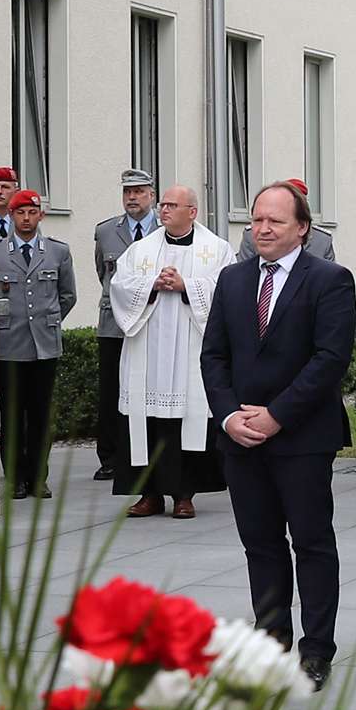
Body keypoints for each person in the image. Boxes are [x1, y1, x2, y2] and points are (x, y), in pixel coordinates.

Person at [202, 181, 354, 687]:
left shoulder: (330, 280)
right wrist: (228, 416)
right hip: (240, 438)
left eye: (275, 221)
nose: (262, 228)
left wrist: (276, 415)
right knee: (260, 545)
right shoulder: (232, 280)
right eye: (257, 219)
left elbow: (329, 360)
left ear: (302, 228)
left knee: (311, 544)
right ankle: (271, 641)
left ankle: (316, 650)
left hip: (302, 438)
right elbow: (214, 356)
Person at [106, 183, 229, 519]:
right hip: (148, 349)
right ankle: (149, 494)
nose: (164, 210)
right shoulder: (141, 250)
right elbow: (119, 286)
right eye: (163, 204)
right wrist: (152, 285)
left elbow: (228, 289)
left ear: (192, 212)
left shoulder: (216, 249)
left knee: (187, 420)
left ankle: (184, 496)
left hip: (190, 350)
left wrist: (187, 285)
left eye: (173, 205)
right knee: (146, 421)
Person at [0, 189, 77, 498]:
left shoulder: (57, 251)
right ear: (11, 215)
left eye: (31, 212)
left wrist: (48, 320)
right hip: (8, 343)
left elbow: (67, 295)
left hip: (44, 346)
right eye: (20, 213)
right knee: (11, 415)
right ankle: (15, 478)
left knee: (40, 415)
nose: (26, 218)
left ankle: (38, 477)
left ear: (41, 215)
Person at [91, 170, 162, 484]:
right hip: (114, 324)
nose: (132, 197)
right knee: (111, 391)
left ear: (152, 195)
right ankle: (110, 458)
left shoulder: (164, 229)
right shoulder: (107, 231)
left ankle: (149, 454)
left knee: (150, 389)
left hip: (153, 322)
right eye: (127, 192)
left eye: (139, 191)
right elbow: (104, 275)